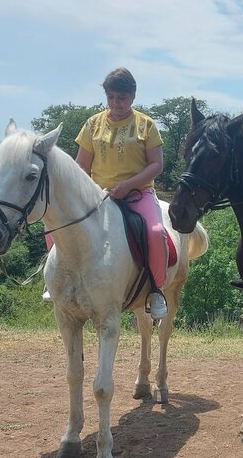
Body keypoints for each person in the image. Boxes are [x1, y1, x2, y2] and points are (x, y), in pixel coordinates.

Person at [43, 67, 169, 319]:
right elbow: (81, 166)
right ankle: (55, 281)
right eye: (111, 97)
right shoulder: (92, 124)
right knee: (55, 226)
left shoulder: (146, 124)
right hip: (98, 196)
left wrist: (129, 185)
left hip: (137, 195)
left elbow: (157, 165)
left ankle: (156, 290)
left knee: (156, 234)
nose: (115, 103)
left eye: (121, 98)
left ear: (133, 96)